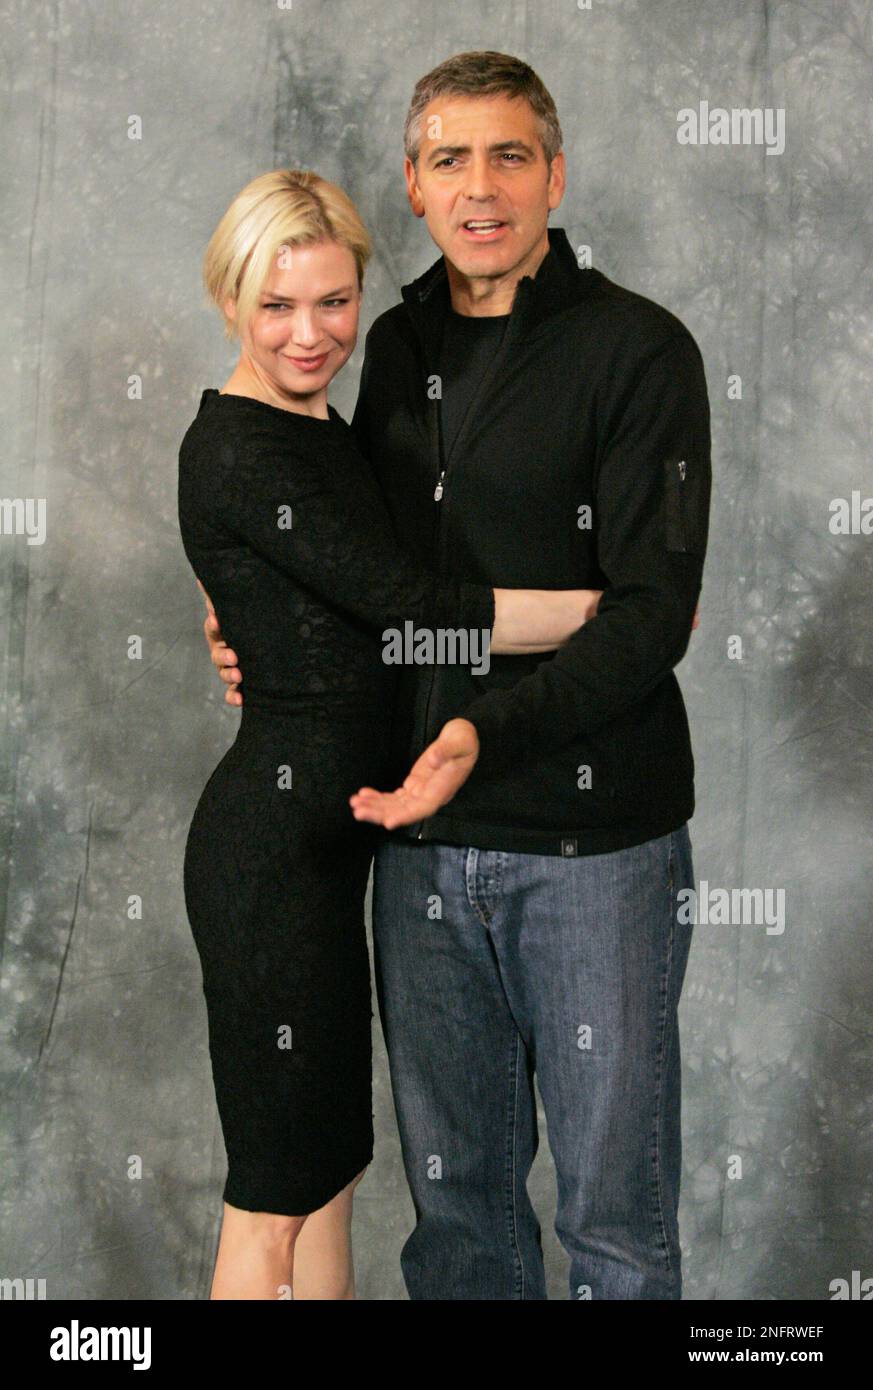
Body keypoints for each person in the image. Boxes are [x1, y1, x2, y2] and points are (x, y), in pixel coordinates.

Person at [205, 52, 711, 1299]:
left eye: (508, 156)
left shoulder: (640, 351)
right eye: (448, 160)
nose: (480, 187)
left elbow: (651, 623)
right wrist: (264, 644)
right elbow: (381, 592)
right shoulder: (389, 346)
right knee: (459, 1222)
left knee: (614, 1225)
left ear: (554, 175)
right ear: (416, 189)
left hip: (591, 846)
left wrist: (485, 733)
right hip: (417, 852)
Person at [178, 167, 603, 1300]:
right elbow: (410, 603)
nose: (312, 333)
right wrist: (602, 611)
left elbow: (320, 600)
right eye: (278, 306)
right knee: (272, 1195)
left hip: (327, 857)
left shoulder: (319, 426)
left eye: (332, 301)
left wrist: (245, 626)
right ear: (230, 300)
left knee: (330, 1177)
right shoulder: (241, 450)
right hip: (269, 860)